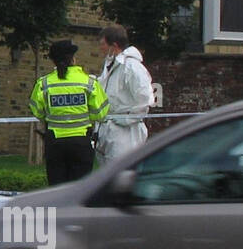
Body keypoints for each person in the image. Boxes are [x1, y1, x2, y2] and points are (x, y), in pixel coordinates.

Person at [29, 39, 109, 185]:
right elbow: (101, 113)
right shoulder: (88, 82)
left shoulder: (44, 83)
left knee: (57, 189)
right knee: (80, 190)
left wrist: (51, 116)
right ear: (73, 59)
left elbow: (36, 111)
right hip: (81, 142)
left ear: (53, 61)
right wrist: (86, 116)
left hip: (55, 143)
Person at [96, 24, 153, 167]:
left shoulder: (132, 67)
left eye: (103, 44)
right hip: (108, 129)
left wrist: (124, 119)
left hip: (126, 134)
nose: (100, 48)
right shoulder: (111, 65)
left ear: (114, 45)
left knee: (122, 175)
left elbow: (145, 99)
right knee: (107, 176)